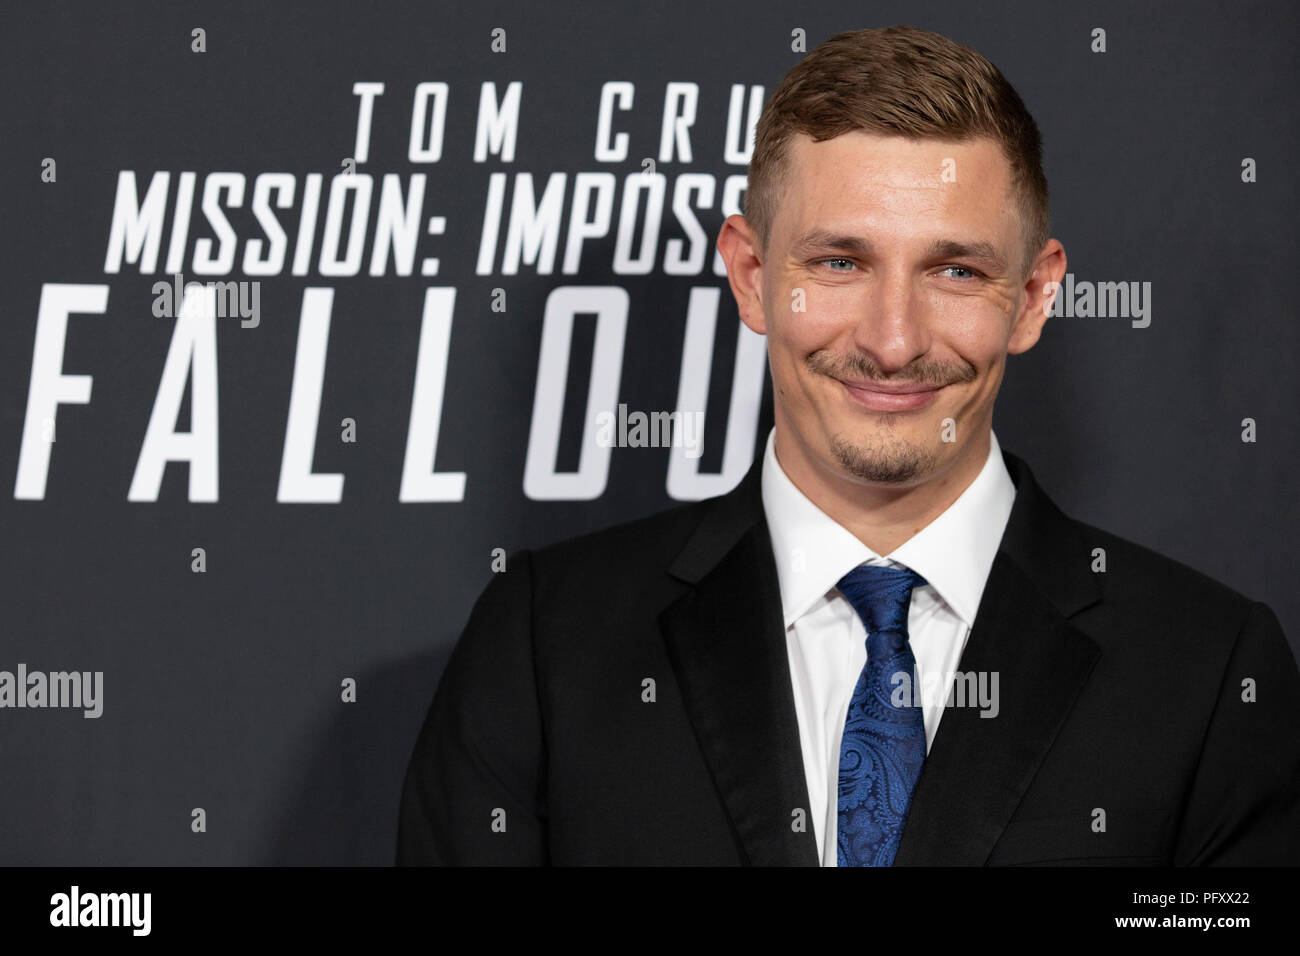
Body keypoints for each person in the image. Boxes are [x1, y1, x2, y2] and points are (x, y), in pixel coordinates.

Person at [396, 25, 1300, 865]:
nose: (894, 340)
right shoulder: (544, 647)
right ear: (751, 277)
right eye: (839, 263)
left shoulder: (1210, 671)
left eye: (956, 271)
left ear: (1031, 297)